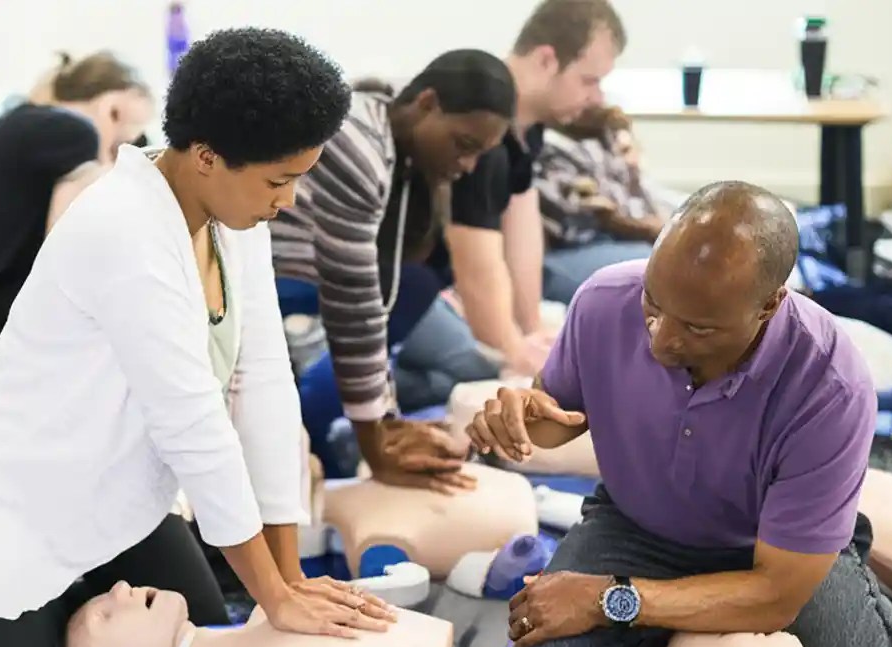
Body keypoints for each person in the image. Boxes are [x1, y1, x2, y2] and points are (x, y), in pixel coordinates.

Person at [0, 28, 394, 647]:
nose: (287, 202)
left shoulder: (235, 221)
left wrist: (286, 580)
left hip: (117, 495)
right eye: (279, 180)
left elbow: (262, 384)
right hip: (11, 506)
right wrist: (273, 594)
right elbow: (193, 423)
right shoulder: (122, 228)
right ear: (206, 157)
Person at [467, 181, 892, 647]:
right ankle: (685, 628)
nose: (659, 341)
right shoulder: (605, 300)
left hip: (767, 549)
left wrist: (609, 599)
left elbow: (775, 593)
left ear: (769, 306)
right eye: (653, 302)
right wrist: (520, 418)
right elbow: (556, 419)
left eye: (697, 327)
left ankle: (856, 568)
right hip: (639, 526)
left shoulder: (830, 386)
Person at [268, 49, 516, 492]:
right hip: (273, 285)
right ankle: (327, 431)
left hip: (295, 286)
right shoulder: (358, 144)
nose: (467, 166)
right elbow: (354, 305)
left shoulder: (387, 137)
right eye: (463, 145)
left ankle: (340, 426)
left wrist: (386, 420)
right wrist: (376, 444)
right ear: (427, 104)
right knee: (409, 303)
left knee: (423, 312)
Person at [412, 0, 625, 389]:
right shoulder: (484, 126)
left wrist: (530, 332)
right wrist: (515, 352)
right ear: (546, 60)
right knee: (482, 368)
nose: (597, 98)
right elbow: (475, 263)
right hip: (404, 282)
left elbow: (521, 236)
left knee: (501, 362)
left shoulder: (527, 128)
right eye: (589, 80)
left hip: (437, 283)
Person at [0, 51, 154, 384]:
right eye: (124, 143)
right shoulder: (72, 131)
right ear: (113, 109)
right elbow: (71, 249)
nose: (118, 155)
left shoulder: (21, 122)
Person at [534, 104, 665, 300]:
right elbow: (598, 211)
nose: (630, 161)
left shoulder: (628, 171)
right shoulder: (553, 148)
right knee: (667, 270)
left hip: (620, 236)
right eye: (589, 82)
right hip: (580, 245)